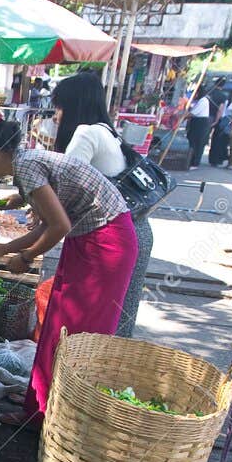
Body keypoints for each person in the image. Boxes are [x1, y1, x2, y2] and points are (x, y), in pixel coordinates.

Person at [0, 114, 135, 424]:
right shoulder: (26, 162)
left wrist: (26, 257)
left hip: (105, 244)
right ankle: (40, 405)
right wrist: (5, 249)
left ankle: (57, 418)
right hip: (87, 240)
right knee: (57, 323)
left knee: (75, 333)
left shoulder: (27, 166)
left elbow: (59, 225)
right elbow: (46, 224)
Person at [48, 71, 151, 338]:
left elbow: (64, 188)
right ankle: (104, 377)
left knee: (88, 325)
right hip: (133, 232)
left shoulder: (86, 133)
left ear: (73, 106)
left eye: (58, 108)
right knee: (114, 321)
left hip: (108, 239)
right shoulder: (107, 131)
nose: (56, 117)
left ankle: (82, 377)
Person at [210, 86, 232, 166]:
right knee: (217, 142)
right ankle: (214, 160)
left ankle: (221, 159)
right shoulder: (228, 101)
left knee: (225, 143)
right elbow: (222, 111)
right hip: (223, 122)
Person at [185, 85, 213, 168]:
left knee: (197, 143)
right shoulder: (199, 100)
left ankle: (195, 162)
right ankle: (191, 160)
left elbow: (193, 113)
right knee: (192, 142)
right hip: (196, 123)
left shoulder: (203, 100)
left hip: (201, 123)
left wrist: (182, 116)